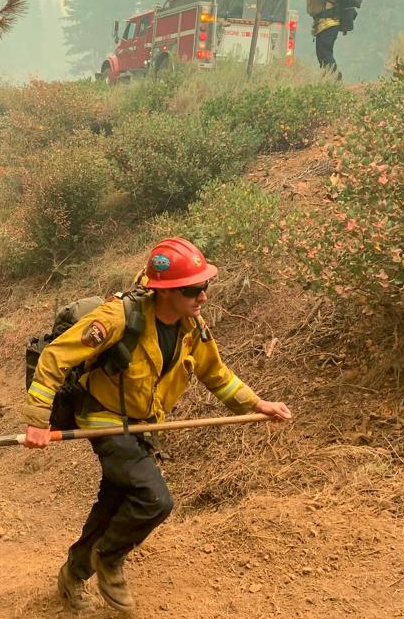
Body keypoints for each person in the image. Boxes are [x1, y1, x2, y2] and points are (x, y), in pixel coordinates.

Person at [21, 237, 292, 612]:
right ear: (164, 291)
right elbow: (54, 358)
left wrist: (257, 403)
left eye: (205, 286)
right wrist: (36, 420)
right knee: (154, 500)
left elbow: (217, 374)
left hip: (141, 423)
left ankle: (73, 574)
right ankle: (109, 561)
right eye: (193, 289)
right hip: (103, 419)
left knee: (114, 502)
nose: (203, 297)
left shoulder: (192, 328)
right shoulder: (118, 318)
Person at [297, 0, 342, 79]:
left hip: (329, 23)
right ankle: (327, 76)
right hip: (321, 25)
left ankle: (335, 77)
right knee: (320, 54)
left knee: (325, 52)